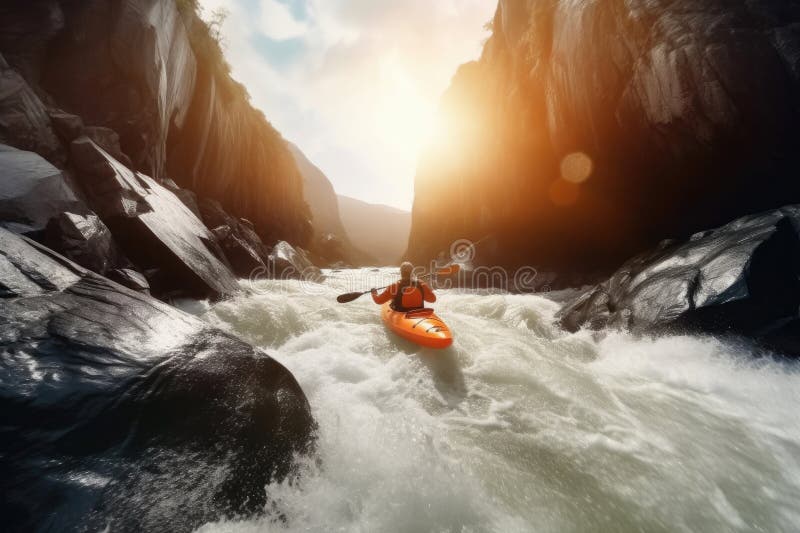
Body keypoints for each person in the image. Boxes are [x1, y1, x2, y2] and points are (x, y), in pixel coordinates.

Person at [372, 262, 436, 311]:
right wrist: (429, 289)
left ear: (401, 272)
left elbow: (379, 301)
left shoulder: (394, 286)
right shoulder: (421, 284)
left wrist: (374, 293)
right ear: (412, 272)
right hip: (418, 312)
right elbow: (433, 299)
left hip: (400, 313)